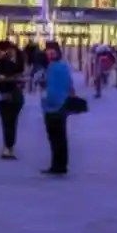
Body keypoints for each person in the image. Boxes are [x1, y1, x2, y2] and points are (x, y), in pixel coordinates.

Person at [41, 41, 73, 176]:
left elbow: (52, 88)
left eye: (52, 52)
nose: (49, 55)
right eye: (48, 52)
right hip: (61, 105)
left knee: (56, 137)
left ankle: (58, 165)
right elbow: (69, 85)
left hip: (53, 106)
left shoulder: (54, 67)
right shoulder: (63, 66)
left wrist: (48, 99)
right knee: (59, 137)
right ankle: (60, 164)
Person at [0, 40, 24, 159]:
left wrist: (2, 77)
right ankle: (9, 146)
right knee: (10, 121)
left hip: (7, 94)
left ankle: (8, 147)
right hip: (13, 95)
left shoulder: (2, 62)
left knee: (7, 121)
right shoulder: (17, 58)